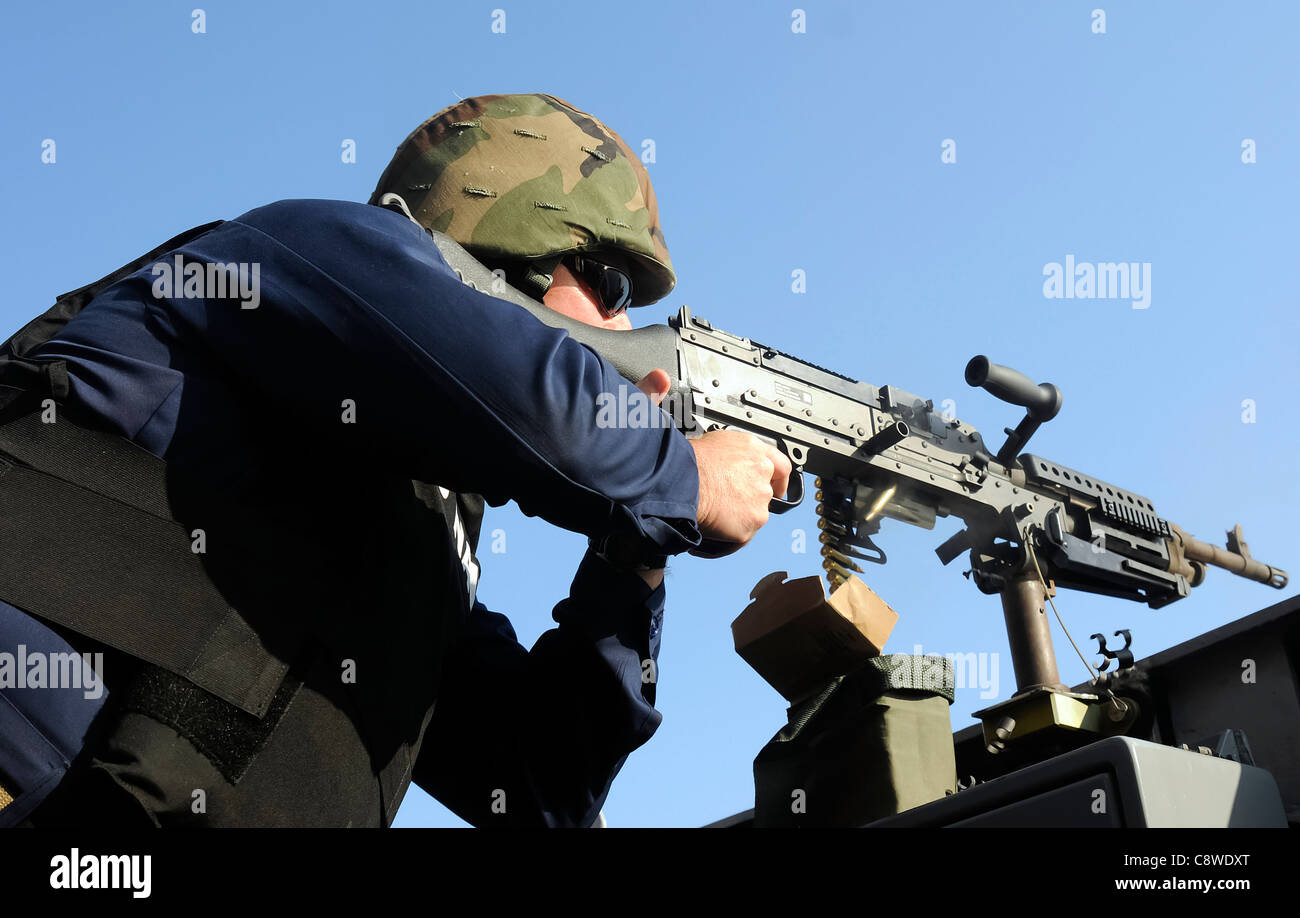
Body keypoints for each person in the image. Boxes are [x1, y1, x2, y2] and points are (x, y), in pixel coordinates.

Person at [0, 93, 790, 827]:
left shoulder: (414, 538)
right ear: (515, 241)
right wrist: (685, 475)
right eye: (610, 284)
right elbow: (518, 391)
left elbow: (542, 783)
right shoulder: (315, 246)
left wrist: (638, 559)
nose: (624, 327)